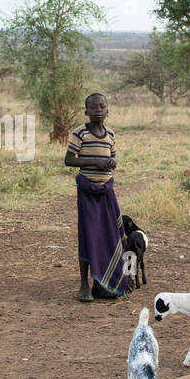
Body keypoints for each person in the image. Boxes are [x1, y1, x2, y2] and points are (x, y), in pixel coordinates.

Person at [64, 92, 130, 302]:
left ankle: (101, 281)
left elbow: (113, 160)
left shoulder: (110, 134)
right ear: (86, 111)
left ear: (108, 110)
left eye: (102, 106)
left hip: (106, 192)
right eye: (93, 107)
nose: (98, 110)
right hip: (87, 191)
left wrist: (110, 164)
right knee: (88, 235)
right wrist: (96, 163)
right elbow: (68, 160)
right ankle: (84, 284)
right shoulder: (80, 133)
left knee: (110, 234)